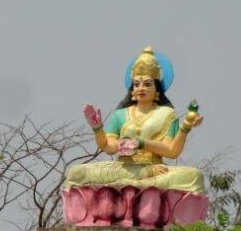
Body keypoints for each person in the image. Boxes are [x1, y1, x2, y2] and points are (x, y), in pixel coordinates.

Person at [64, 47, 205, 194]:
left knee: (193, 177)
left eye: (147, 84)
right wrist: (98, 128)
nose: (141, 88)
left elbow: (172, 151)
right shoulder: (120, 114)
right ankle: (138, 177)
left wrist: (185, 128)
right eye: (136, 84)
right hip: (123, 168)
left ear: (157, 89)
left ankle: (138, 179)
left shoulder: (167, 113)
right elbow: (107, 147)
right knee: (75, 173)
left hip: (156, 168)